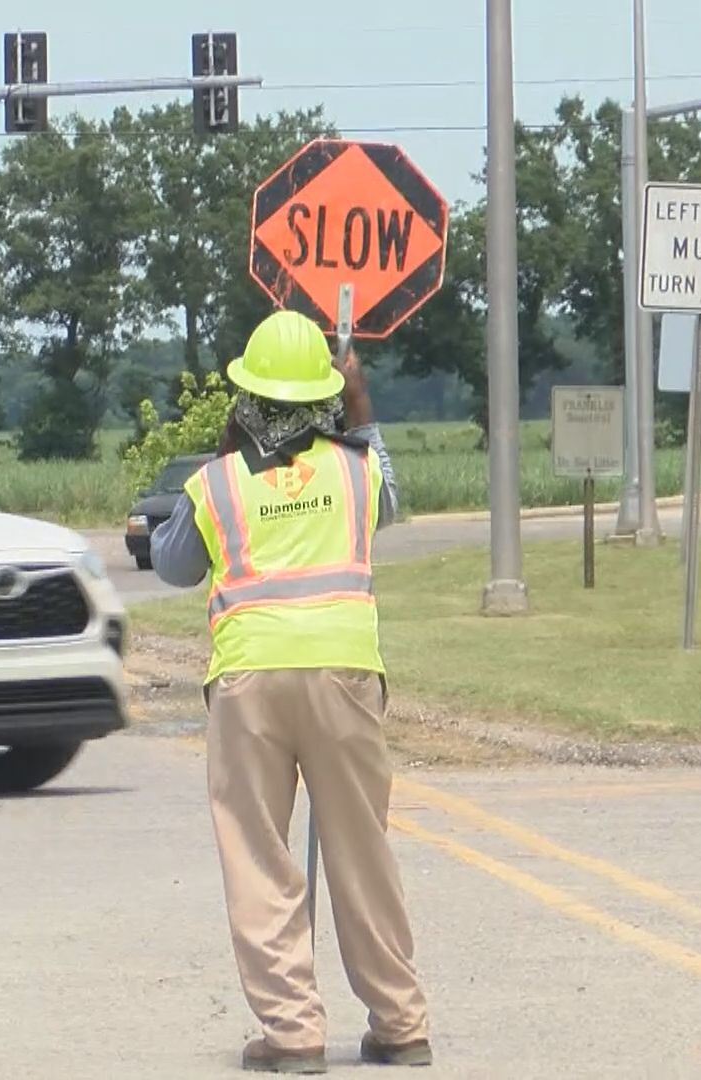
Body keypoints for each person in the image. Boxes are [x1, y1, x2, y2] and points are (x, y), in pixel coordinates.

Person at [149, 309, 431, 1074]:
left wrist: (222, 459)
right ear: (325, 397)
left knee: (259, 854)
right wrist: (363, 410)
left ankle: (294, 1032)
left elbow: (172, 566)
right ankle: (401, 1024)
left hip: (250, 682)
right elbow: (391, 499)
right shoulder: (356, 470)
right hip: (345, 674)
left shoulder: (217, 485)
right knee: (362, 849)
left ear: (245, 397)